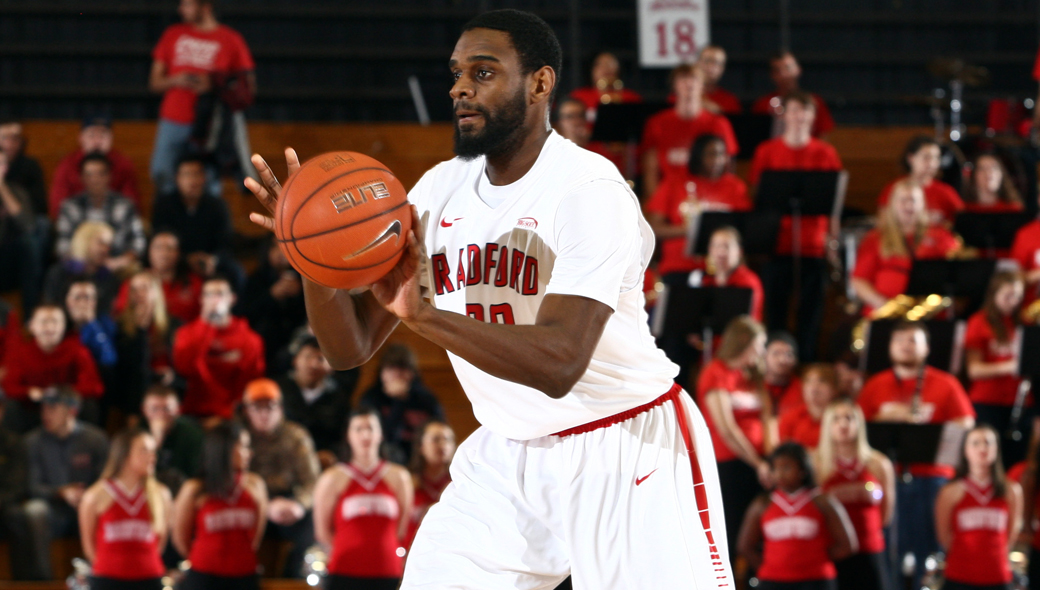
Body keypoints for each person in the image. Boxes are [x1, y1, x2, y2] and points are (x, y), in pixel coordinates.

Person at [246, 9, 734, 588]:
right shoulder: (437, 190)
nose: (459, 87)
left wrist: (427, 315)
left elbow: (560, 363)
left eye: (483, 72)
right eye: (456, 73)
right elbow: (347, 348)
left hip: (625, 443)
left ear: (540, 83)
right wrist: (310, 253)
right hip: (508, 453)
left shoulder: (588, 190)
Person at [856, 320, 975, 586]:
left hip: (932, 478)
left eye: (913, 340)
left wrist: (927, 423)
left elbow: (966, 424)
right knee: (887, 546)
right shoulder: (875, 384)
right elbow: (858, 429)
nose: (905, 346)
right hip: (886, 479)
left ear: (926, 348)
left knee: (929, 549)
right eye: (899, 340)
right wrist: (888, 416)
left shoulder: (946, 383)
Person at [750, 90, 843, 362]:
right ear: (784, 115)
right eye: (794, 111)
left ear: (813, 117)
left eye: (805, 112)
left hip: (813, 245)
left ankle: (806, 367)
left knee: (811, 315)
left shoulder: (825, 153)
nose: (799, 117)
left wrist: (833, 242)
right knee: (775, 313)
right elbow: (759, 199)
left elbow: (833, 204)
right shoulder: (767, 151)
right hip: (776, 245)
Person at [149, 0, 256, 197]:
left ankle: (206, 223)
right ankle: (175, 221)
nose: (181, 9)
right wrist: (177, 80)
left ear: (205, 6)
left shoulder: (230, 39)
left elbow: (247, 87)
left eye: (187, 5)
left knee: (208, 179)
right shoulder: (173, 34)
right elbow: (154, 83)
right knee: (162, 173)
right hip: (173, 119)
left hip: (209, 124)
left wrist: (214, 84)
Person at [696, 315, 774, 566]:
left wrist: (768, 459)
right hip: (729, 464)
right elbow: (726, 429)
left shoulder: (750, 375)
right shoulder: (715, 372)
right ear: (744, 341)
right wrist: (757, 463)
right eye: (759, 344)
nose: (762, 351)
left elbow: (767, 418)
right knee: (729, 529)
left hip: (757, 464)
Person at [313, 407, 413, 590]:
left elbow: (401, 529)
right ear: (348, 436)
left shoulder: (400, 477)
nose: (365, 434)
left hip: (388, 571)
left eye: (371, 428)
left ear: (381, 434)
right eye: (358, 429)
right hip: (344, 570)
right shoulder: (332, 478)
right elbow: (322, 532)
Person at [737, 442, 856, 590]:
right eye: (775, 468)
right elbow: (745, 545)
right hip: (773, 582)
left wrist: (816, 560)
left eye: (786, 467)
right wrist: (771, 567)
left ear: (803, 470)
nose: (779, 474)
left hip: (816, 581)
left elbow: (848, 544)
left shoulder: (822, 501)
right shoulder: (762, 503)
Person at [23, 388, 109, 580]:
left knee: (105, 507)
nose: (45, 414)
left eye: (52, 408)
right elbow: (32, 486)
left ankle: (101, 576)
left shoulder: (95, 439)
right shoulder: (32, 442)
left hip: (88, 506)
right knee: (34, 510)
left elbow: (107, 482)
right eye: (43, 408)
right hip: (53, 509)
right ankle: (42, 580)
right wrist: (61, 492)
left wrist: (87, 497)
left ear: (72, 411)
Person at [240, 378, 320, 578]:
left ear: (281, 409)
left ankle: (293, 581)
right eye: (257, 408)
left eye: (270, 407)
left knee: (310, 524)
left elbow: (312, 481)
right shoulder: (240, 437)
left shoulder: (296, 436)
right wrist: (264, 506)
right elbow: (232, 480)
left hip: (288, 503)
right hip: (250, 504)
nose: (264, 414)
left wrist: (299, 505)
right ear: (246, 411)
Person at [172, 422, 267, 590]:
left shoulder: (255, 485)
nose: (250, 453)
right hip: (204, 576)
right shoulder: (195, 488)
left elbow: (256, 536)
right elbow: (180, 538)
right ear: (225, 450)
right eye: (244, 447)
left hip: (244, 574)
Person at [645, 134, 752, 278]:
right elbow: (653, 228)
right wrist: (687, 230)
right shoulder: (674, 183)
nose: (717, 160)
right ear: (698, 156)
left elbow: (745, 227)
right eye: (711, 154)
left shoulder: (735, 187)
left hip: (724, 269)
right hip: (680, 266)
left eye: (721, 154)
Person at [78, 427, 171, 590]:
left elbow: (161, 542)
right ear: (125, 454)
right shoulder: (95, 495)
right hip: (107, 578)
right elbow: (89, 547)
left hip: (150, 577)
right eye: (145, 451)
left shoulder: (161, 494)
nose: (152, 457)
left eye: (153, 451)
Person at [816, 398, 895, 590]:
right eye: (836, 419)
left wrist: (865, 491)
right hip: (833, 550)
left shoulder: (878, 464)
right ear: (827, 425)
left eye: (849, 418)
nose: (843, 424)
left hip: (870, 548)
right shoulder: (817, 463)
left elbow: (886, 515)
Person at [851, 179, 960, 315]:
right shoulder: (875, 238)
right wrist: (885, 306)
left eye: (914, 200)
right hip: (885, 314)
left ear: (923, 205)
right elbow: (859, 280)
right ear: (893, 205)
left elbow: (956, 272)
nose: (909, 205)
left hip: (930, 314)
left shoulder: (940, 236)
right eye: (903, 200)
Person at [934, 425, 1022, 590]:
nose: (982, 448)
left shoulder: (1012, 491)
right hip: (958, 576)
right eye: (975, 443)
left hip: (998, 576)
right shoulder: (950, 492)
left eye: (988, 443)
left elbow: (1011, 535)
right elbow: (944, 536)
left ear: (997, 448)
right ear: (965, 450)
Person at [172, 275, 265, 423]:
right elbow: (184, 368)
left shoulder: (250, 339)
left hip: (233, 415)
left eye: (220, 294)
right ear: (201, 299)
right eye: (209, 294)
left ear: (232, 299)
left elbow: (250, 379)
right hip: (194, 413)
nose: (215, 299)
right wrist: (205, 324)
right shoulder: (185, 334)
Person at [641, 63, 738, 199]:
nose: (689, 84)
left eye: (694, 78)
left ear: (702, 85)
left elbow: (727, 168)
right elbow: (651, 169)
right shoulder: (657, 123)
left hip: (707, 196)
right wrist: (656, 203)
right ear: (674, 85)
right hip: (669, 196)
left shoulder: (718, 123)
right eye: (683, 78)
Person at [2, 304, 105, 432]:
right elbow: (8, 386)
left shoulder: (77, 350)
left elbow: (95, 386)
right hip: (34, 409)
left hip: (67, 410)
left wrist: (61, 394)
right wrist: (29, 392)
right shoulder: (21, 353)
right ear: (32, 326)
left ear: (63, 326)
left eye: (55, 322)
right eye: (44, 322)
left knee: (90, 405)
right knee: (12, 406)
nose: (50, 328)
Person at [964, 271, 1028, 467]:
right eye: (1007, 295)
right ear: (994, 294)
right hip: (987, 400)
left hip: (1020, 399)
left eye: (1017, 296)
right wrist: (1009, 366)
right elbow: (973, 369)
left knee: (1019, 457)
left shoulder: (1023, 322)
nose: (1013, 301)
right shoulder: (979, 322)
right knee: (991, 457)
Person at [152, 155, 240, 288]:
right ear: (177, 178)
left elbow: (226, 243)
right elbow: (158, 238)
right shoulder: (164, 205)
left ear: (204, 178)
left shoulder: (218, 206)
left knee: (236, 273)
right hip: (177, 260)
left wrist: (213, 260)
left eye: (196, 174)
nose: (192, 180)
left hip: (211, 262)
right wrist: (186, 258)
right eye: (186, 174)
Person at [55, 153, 146, 270]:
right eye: (89, 175)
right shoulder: (70, 206)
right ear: (81, 178)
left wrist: (119, 262)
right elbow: (62, 246)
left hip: (117, 266)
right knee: (56, 272)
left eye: (100, 174)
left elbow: (138, 242)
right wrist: (84, 265)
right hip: (79, 267)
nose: (95, 179)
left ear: (109, 176)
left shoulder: (125, 205)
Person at [358, 344, 445, 464]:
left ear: (413, 373)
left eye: (403, 369)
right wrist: (399, 401)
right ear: (381, 373)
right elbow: (386, 437)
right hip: (383, 459)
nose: (397, 375)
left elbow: (441, 429)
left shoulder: (426, 398)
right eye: (391, 369)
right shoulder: (371, 398)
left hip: (421, 461)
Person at [112, 272, 179, 420]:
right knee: (138, 380)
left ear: (156, 292)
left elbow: (182, 364)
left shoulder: (174, 325)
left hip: (169, 388)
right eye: (134, 289)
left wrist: (172, 375)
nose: (138, 294)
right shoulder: (121, 327)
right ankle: (134, 420)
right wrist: (141, 332)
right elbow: (129, 367)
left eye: (144, 288)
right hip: (135, 389)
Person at [277, 335, 352, 464]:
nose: (313, 364)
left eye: (320, 359)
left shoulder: (339, 399)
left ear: (332, 366)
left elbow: (341, 438)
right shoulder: (278, 390)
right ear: (295, 360)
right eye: (307, 357)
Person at [49, 115, 140, 216]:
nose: (97, 142)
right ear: (81, 138)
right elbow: (58, 207)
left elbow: (132, 205)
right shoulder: (67, 165)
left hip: (114, 222)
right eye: (91, 135)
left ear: (111, 138)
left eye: (102, 135)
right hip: (76, 222)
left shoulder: (123, 164)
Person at [236, 239, 306, 370]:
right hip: (266, 339)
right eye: (274, 247)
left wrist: (299, 294)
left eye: (285, 247)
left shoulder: (304, 279)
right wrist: (272, 296)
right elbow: (245, 314)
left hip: (295, 338)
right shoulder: (256, 279)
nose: (280, 252)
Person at [114, 232, 203, 324]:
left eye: (170, 248)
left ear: (179, 253)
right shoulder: (134, 282)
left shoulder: (194, 283)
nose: (164, 253)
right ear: (149, 251)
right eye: (158, 247)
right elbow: (122, 316)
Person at [876, 136, 964, 226]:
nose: (932, 164)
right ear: (911, 158)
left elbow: (963, 221)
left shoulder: (946, 191)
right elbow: (883, 223)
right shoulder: (894, 189)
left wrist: (945, 224)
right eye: (926, 157)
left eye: (936, 158)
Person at [42, 221, 122, 314]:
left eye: (108, 245)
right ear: (84, 241)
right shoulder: (58, 273)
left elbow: (105, 315)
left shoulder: (109, 278)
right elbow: (50, 308)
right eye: (101, 243)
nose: (105, 250)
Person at [751, 52, 835, 138]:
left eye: (788, 68)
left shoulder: (814, 101)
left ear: (798, 69)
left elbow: (824, 134)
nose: (783, 74)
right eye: (778, 70)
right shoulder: (763, 104)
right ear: (772, 75)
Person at [141, 385, 203, 495]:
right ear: (144, 410)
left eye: (167, 409)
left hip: (182, 492)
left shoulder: (192, 434)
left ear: (178, 409)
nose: (161, 415)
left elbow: (196, 473)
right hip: (146, 492)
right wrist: (155, 443)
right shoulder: (138, 434)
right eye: (154, 409)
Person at [404, 420, 455, 550]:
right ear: (421, 446)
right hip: (413, 552)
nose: (443, 445)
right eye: (436, 439)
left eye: (448, 439)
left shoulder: (459, 484)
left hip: (449, 552)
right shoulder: (407, 483)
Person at [0, 149, 41, 310]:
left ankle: (30, 319)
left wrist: (2, 187)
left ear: (7, 168)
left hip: (6, 263)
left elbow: (28, 225)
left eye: (1, 163)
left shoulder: (17, 191)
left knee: (28, 245)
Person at [0, 395, 34, 580]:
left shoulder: (13, 442)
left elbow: (18, 485)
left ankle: (23, 581)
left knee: (18, 517)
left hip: (4, 504)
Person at [778, 364, 837, 450]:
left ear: (833, 389)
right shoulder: (790, 417)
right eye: (809, 381)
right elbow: (786, 452)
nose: (814, 387)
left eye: (822, 381)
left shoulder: (841, 416)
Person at [65, 280, 118, 374]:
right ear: (68, 300)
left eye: (87, 298)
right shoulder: (61, 323)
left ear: (94, 301)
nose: (82, 303)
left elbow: (108, 359)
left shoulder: (105, 323)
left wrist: (91, 323)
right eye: (77, 298)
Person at [0, 120, 47, 217]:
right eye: (4, 138)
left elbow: (38, 209)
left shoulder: (30, 166)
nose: (10, 144)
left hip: (23, 222)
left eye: (15, 138)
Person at [568, 51, 641, 114]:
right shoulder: (578, 97)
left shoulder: (631, 98)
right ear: (591, 70)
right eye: (599, 64)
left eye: (611, 64)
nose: (606, 68)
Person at [765, 332, 801, 415]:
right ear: (765, 357)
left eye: (789, 355)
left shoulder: (803, 389)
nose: (782, 360)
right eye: (776, 353)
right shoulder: (752, 386)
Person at [698, 45, 742, 114]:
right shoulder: (680, 98)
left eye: (716, 62)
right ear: (698, 63)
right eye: (707, 61)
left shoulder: (730, 102)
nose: (711, 67)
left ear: (723, 68)